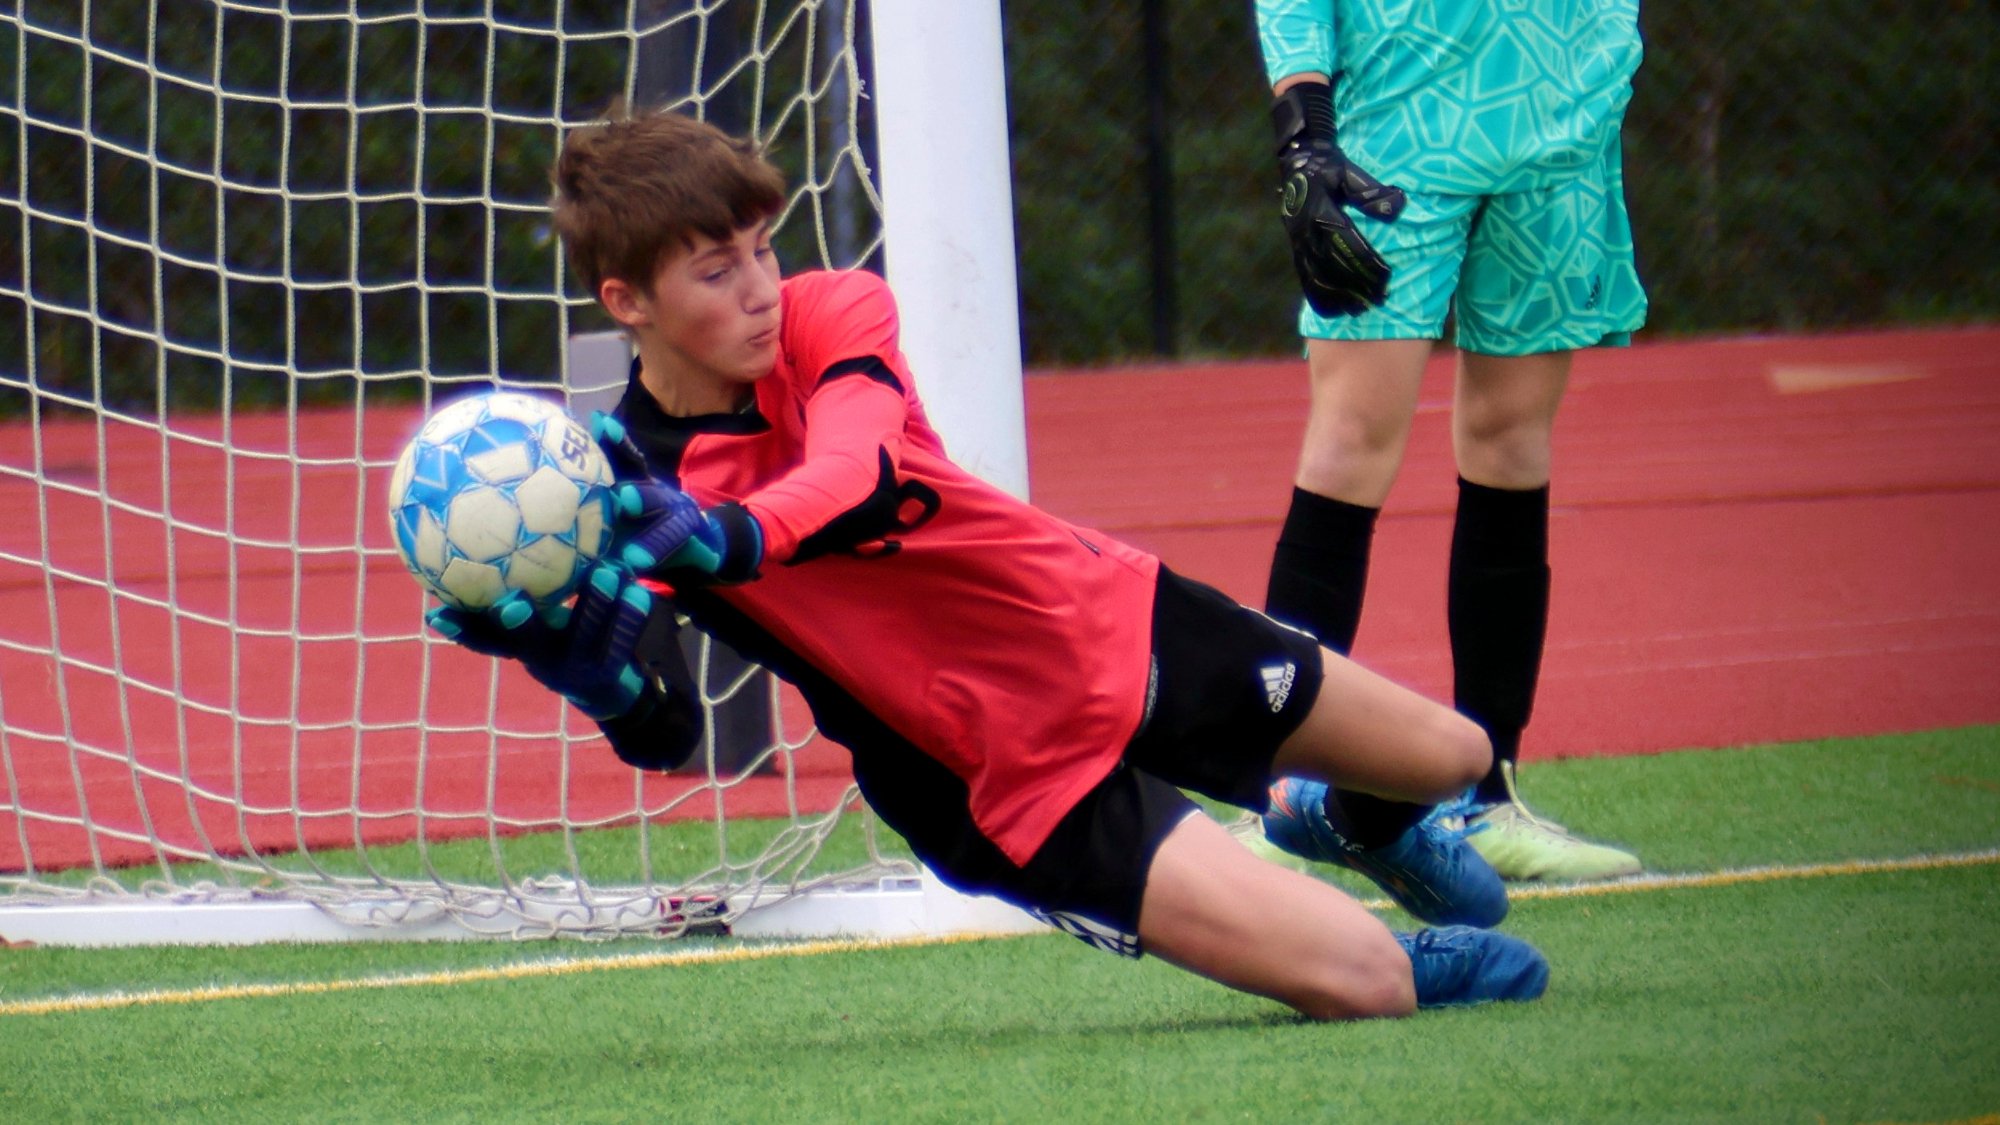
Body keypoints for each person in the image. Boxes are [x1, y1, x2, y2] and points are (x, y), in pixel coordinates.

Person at [428, 107, 1548, 1020]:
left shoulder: (830, 312)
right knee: (1366, 986)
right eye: (716, 274)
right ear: (626, 303)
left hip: (1101, 620)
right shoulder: (622, 488)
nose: (762, 287)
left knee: (1456, 754)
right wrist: (591, 677)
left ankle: (1343, 821)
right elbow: (667, 735)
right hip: (993, 777)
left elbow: (857, 472)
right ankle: (1379, 943)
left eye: (761, 249)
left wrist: (729, 536)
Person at [1251, 0, 1647, 882]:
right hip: (1404, 122)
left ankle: (1488, 800)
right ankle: (1270, 793)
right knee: (1352, 444)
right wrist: (1304, 131)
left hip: (1562, 116)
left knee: (1512, 443)